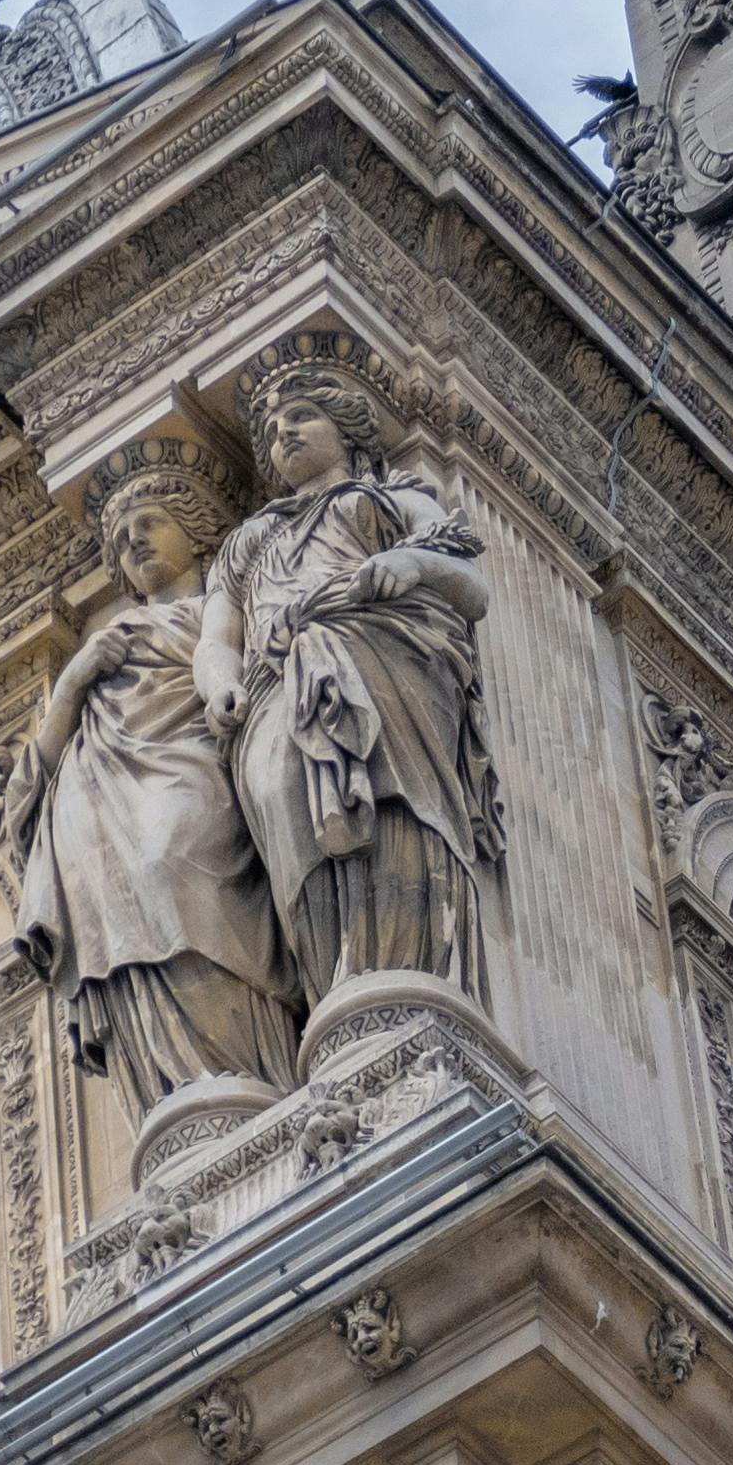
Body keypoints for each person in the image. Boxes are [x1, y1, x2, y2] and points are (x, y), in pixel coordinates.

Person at [203, 329, 498, 997]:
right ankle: (336, 980)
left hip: (382, 655)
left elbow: (468, 584)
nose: (285, 434)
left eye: (303, 416)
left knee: (390, 794)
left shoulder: (395, 499)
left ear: (348, 426)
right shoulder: (251, 538)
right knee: (283, 791)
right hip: (275, 680)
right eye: (273, 429)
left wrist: (410, 561)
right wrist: (219, 681)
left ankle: (404, 968)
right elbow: (215, 636)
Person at [15, 435, 297, 1110]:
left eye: (149, 525)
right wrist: (75, 681)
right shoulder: (102, 648)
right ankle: (177, 1090)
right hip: (96, 814)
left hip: (188, 775)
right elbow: (31, 786)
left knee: (169, 864)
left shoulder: (224, 614)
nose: (133, 542)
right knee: (120, 904)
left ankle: (246, 1074)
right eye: (119, 537)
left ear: (198, 534)